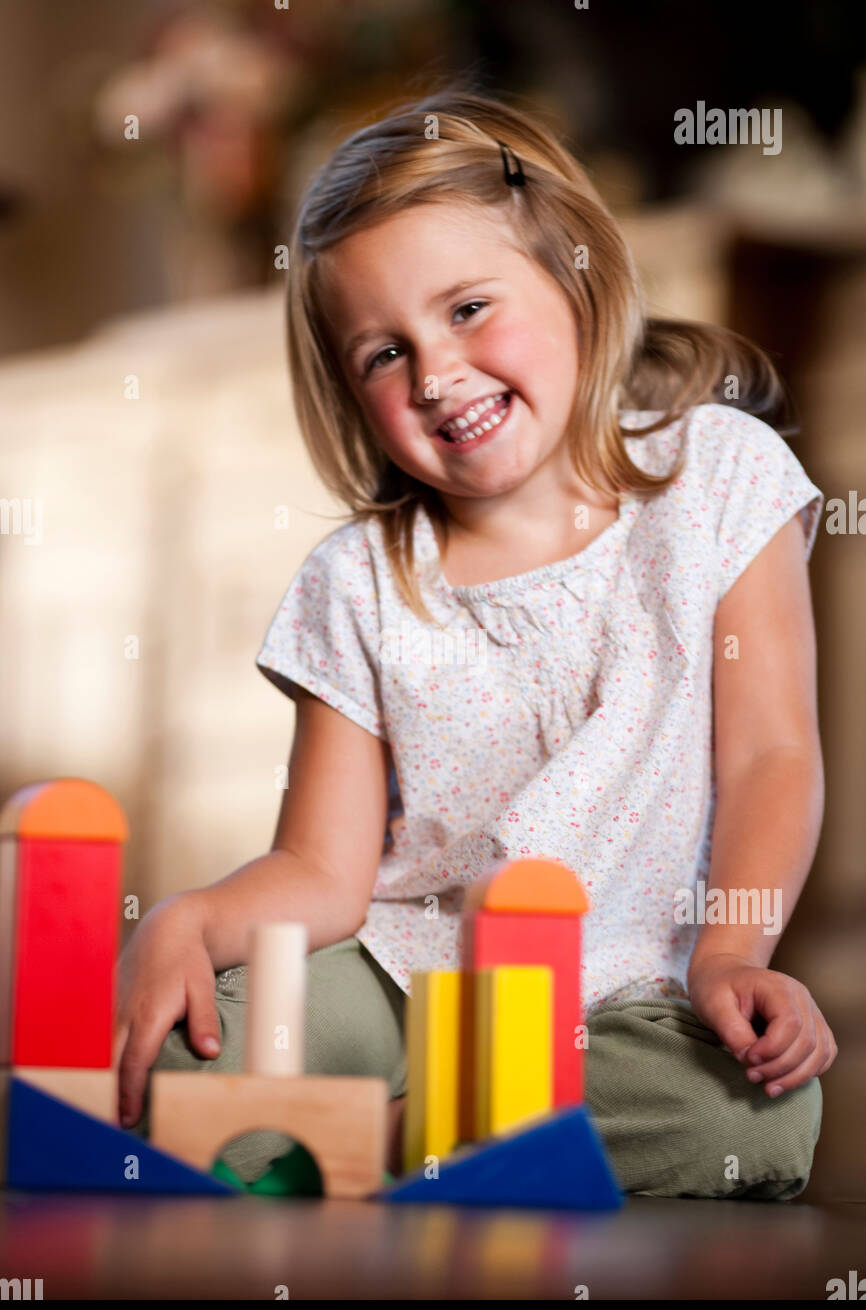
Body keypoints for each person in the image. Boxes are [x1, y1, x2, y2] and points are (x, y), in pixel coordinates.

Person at [115, 87, 835, 1198]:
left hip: (628, 994)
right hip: (410, 978)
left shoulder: (718, 479)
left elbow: (767, 756)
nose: (435, 373)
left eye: (464, 309)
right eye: (381, 355)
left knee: (748, 1113)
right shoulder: (357, 579)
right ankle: (453, 1143)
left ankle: (359, 1149)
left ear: (578, 278)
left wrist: (729, 956)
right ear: (350, 399)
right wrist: (189, 916)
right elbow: (321, 871)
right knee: (167, 1060)